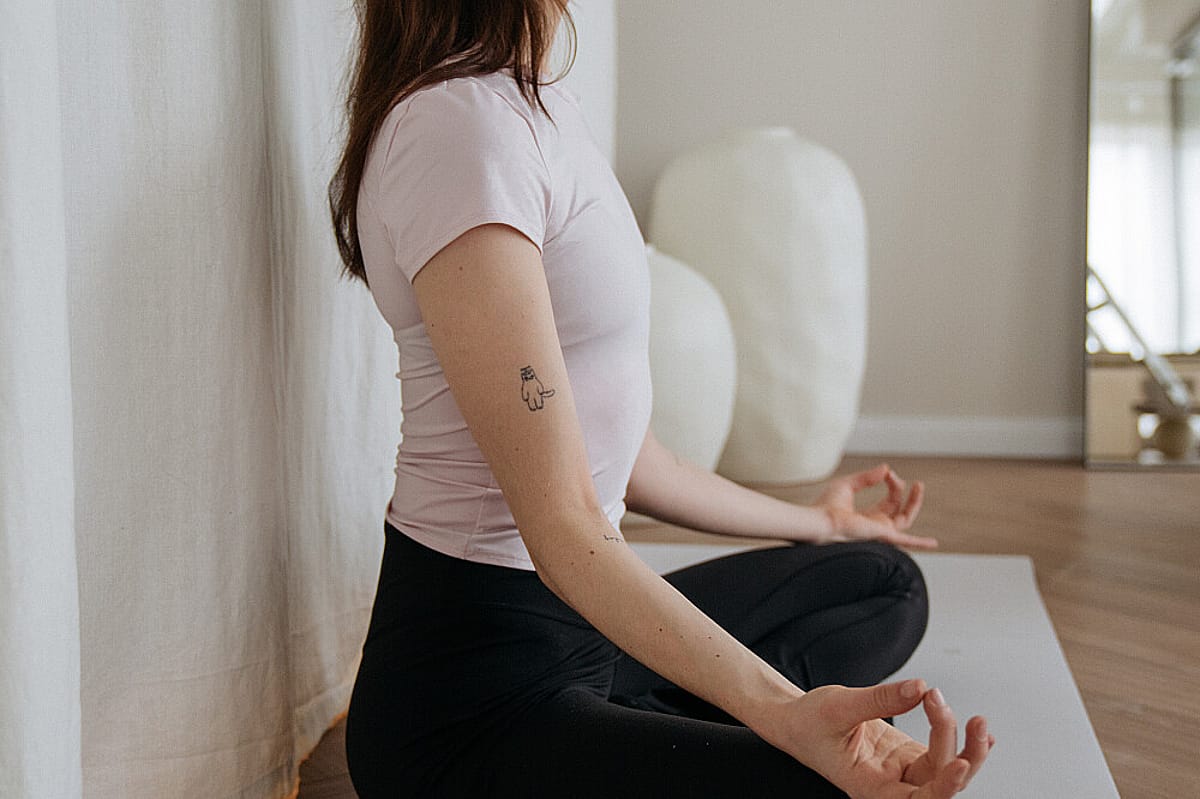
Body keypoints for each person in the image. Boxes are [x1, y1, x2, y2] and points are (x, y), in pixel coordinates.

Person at [328, 2, 993, 796]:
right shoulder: (455, 133)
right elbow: (563, 525)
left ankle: (643, 724)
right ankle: (652, 733)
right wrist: (789, 714)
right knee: (838, 782)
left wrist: (819, 521)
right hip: (470, 700)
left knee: (882, 583)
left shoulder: (536, 107)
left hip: (591, 628)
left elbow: (633, 462)